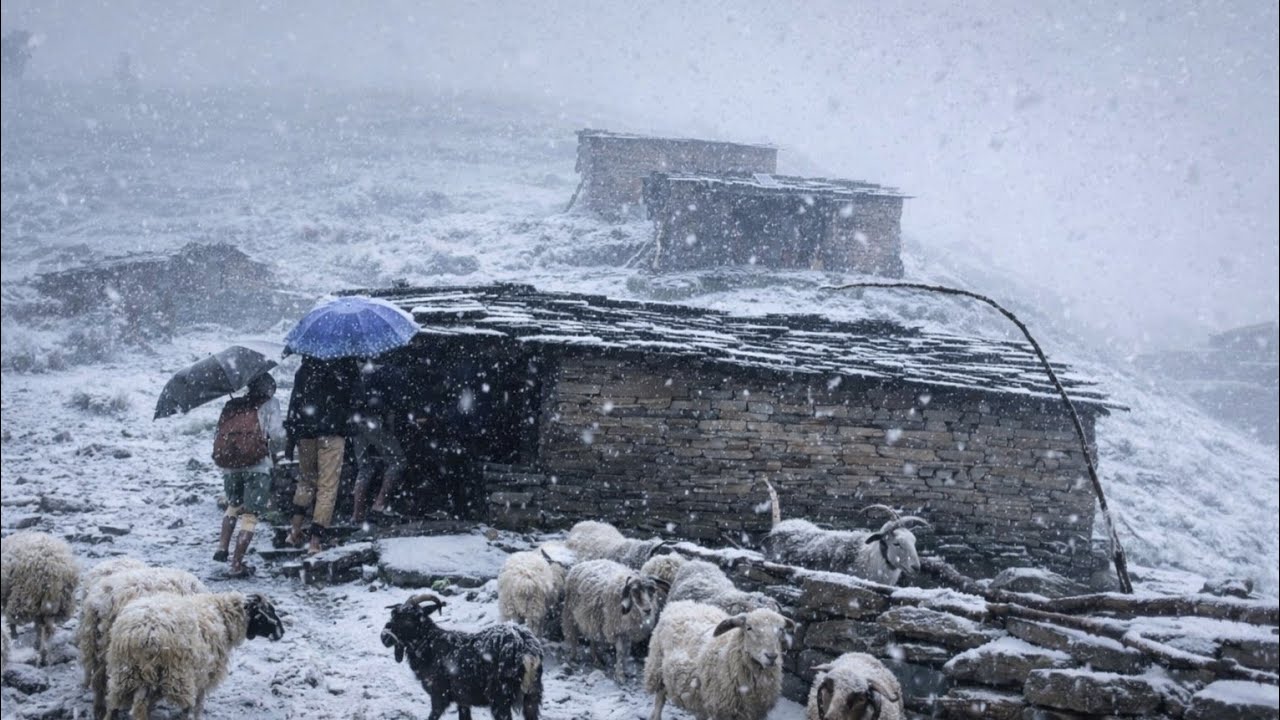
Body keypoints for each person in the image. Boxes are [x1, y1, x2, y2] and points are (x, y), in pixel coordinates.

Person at [213, 372, 285, 577]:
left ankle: (222, 546)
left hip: (231, 465)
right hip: (257, 465)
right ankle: (237, 563)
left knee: (233, 505)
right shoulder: (271, 404)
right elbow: (278, 435)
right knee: (251, 515)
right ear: (269, 388)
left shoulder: (233, 405)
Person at [284, 356, 357, 554]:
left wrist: (291, 437)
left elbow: (294, 404)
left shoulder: (304, 370)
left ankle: (294, 532)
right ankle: (315, 542)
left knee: (306, 481)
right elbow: (356, 399)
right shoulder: (345, 368)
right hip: (332, 433)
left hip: (306, 433)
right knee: (327, 486)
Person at [349, 359, 410, 524]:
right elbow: (392, 402)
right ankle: (379, 505)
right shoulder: (386, 371)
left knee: (365, 466)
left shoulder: (354, 371)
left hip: (355, 422)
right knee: (398, 461)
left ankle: (357, 514)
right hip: (373, 421)